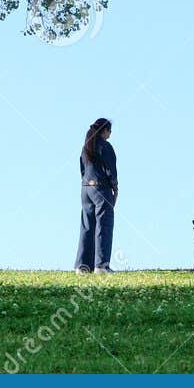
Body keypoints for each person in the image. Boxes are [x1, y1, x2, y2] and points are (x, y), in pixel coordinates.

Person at [75, 117, 117, 273]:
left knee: (87, 226)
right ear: (104, 131)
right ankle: (101, 265)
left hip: (86, 189)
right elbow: (110, 169)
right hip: (101, 189)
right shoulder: (105, 146)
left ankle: (82, 266)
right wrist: (115, 187)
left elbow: (82, 170)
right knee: (104, 226)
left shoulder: (86, 147)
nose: (110, 134)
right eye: (109, 131)